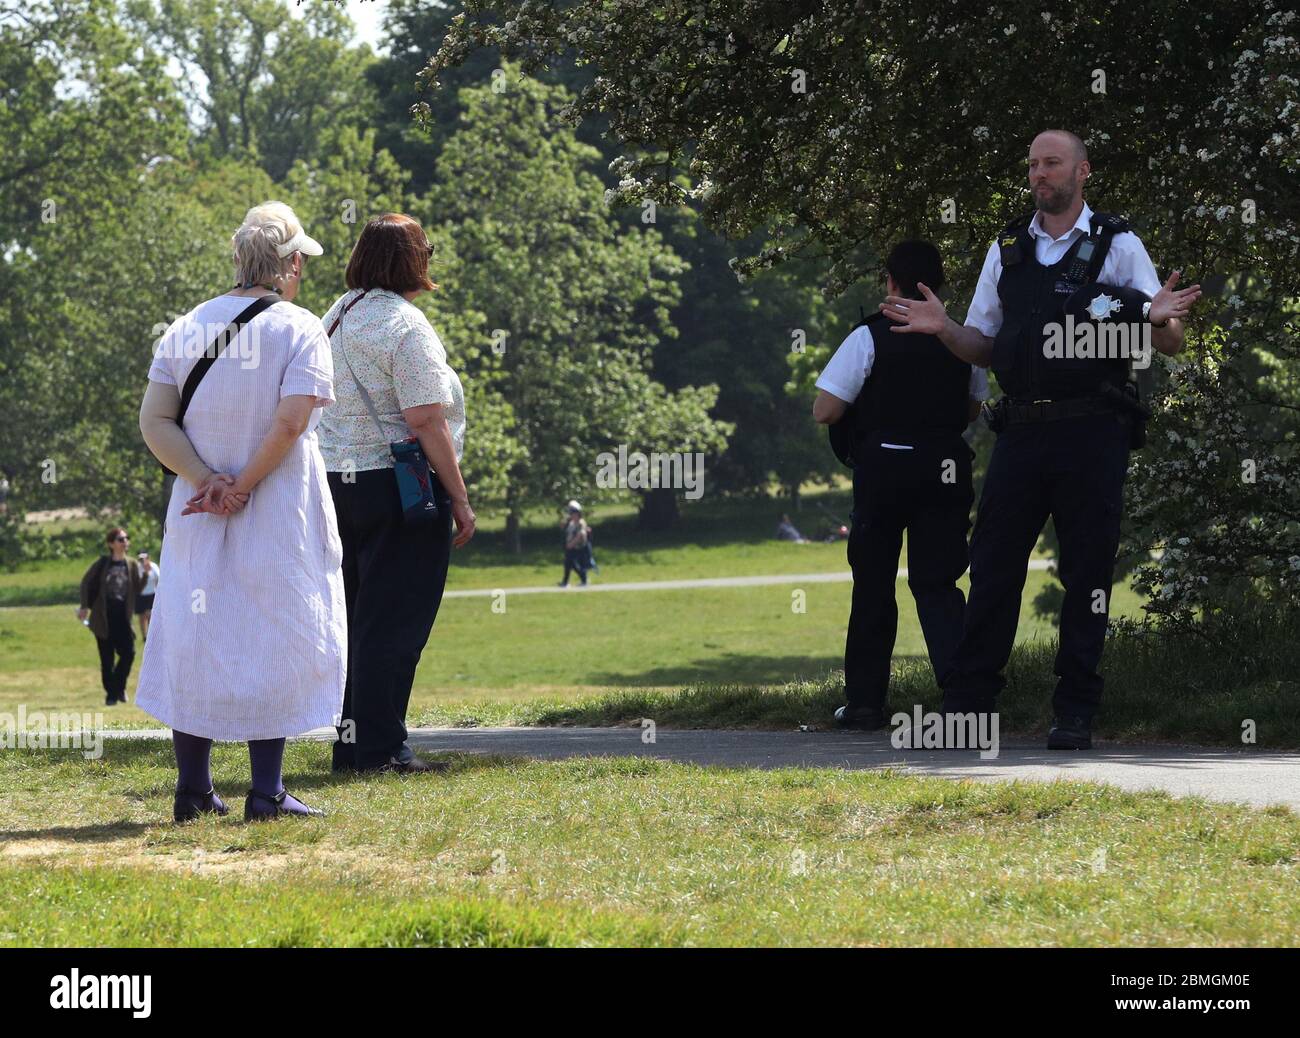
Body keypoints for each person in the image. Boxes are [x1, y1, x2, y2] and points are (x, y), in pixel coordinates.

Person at [880, 130, 1201, 749]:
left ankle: (1074, 709)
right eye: (1032, 164)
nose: (1039, 173)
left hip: (1094, 429)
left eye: (1051, 162)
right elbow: (982, 343)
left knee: (1088, 574)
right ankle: (969, 706)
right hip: (1021, 432)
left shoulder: (1118, 243)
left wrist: (1160, 318)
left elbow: (1169, 340)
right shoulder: (1007, 250)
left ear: (1083, 172)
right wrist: (944, 329)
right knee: (994, 567)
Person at [137, 200, 346, 821]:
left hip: (198, 506)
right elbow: (289, 423)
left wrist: (209, 480)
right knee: (273, 631)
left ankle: (194, 790)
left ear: (238, 258)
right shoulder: (302, 328)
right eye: (300, 261)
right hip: (277, 506)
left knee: (195, 632)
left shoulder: (185, 327)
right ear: (286, 266)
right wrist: (245, 485)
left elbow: (156, 421)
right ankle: (268, 790)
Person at [319, 213, 475, 775]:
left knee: (358, 617)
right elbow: (426, 419)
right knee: (395, 622)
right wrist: (459, 497)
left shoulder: (335, 315)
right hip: (399, 486)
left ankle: (352, 741)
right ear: (413, 259)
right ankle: (382, 748)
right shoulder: (406, 326)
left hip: (338, 482)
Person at [814, 241, 988, 729]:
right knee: (938, 584)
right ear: (941, 283)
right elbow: (972, 410)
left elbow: (826, 409)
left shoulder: (868, 336)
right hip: (944, 469)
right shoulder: (962, 342)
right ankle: (964, 701)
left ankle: (866, 703)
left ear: (890, 282)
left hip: (882, 473)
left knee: (872, 585)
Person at [78, 527, 145, 705]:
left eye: (126, 539)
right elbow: (86, 582)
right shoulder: (102, 563)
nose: (125, 542)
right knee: (106, 659)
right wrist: (84, 606)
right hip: (103, 617)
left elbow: (138, 588)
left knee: (129, 653)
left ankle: (118, 687)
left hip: (123, 617)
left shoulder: (131, 564)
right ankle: (111, 695)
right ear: (111, 543)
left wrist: (144, 572)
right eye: (120, 539)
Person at [559, 501, 590, 586]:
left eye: (572, 513)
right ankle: (566, 582)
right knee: (568, 564)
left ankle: (584, 579)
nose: (571, 514)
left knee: (571, 564)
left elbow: (581, 535)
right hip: (571, 547)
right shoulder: (571, 522)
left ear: (577, 513)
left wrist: (571, 544)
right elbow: (563, 528)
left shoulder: (580, 523)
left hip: (578, 547)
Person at [135, 550, 160, 641]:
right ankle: (144, 636)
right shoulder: (137, 568)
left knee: (150, 615)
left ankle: (151, 634)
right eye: (141, 559)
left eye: (145, 558)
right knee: (142, 616)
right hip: (140, 595)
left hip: (152, 594)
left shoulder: (153, 566)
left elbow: (158, 578)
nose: (143, 561)